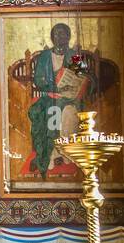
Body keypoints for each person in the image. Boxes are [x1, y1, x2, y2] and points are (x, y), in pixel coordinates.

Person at [27, 23, 92, 178]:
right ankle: (51, 155)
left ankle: (66, 153)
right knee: (51, 113)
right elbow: (38, 79)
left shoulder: (74, 56)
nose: (59, 37)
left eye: (63, 34)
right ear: (52, 37)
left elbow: (85, 77)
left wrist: (79, 84)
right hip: (50, 97)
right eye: (56, 34)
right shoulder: (45, 56)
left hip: (70, 98)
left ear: (68, 37)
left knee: (69, 113)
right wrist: (53, 87)